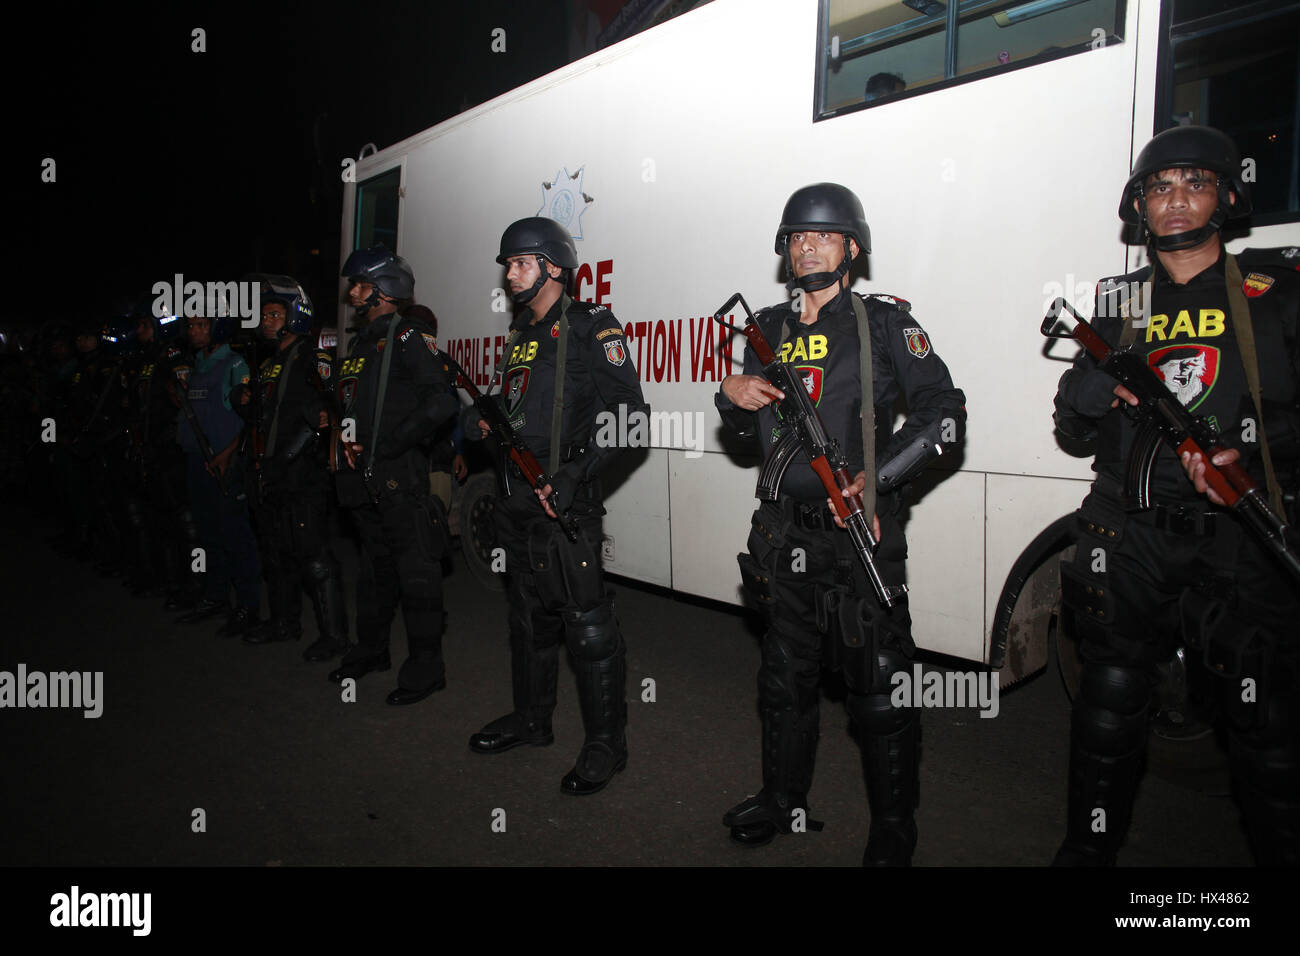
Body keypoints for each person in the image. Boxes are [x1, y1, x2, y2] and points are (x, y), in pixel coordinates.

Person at [1051, 125, 1299, 866]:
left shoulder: (1274, 290)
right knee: (1110, 707)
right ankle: (1088, 851)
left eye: (1194, 182)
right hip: (1132, 537)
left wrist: (1251, 455)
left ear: (1227, 195)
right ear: (1140, 207)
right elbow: (1070, 425)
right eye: (1160, 187)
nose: (1176, 199)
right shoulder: (1119, 299)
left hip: (1240, 539)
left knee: (1266, 725)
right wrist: (1097, 384)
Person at [715, 183, 966, 864]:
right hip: (784, 535)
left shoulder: (883, 324)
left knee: (880, 690)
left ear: (852, 248)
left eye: (823, 236)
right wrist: (732, 397)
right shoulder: (768, 328)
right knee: (783, 680)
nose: (808, 248)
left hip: (860, 538)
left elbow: (944, 414)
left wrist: (877, 484)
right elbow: (751, 438)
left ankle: (893, 827)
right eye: (797, 237)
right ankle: (781, 799)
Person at [464, 216, 648, 796]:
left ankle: (606, 746)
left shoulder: (592, 325)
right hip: (516, 500)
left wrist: (575, 476)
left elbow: (631, 418)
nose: (510, 274)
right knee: (527, 622)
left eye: (519, 262)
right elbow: (522, 411)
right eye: (508, 264)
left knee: (588, 630)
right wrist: (485, 420)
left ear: (552, 266)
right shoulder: (522, 333)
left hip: (565, 504)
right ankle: (532, 719)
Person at [329, 246, 457, 705]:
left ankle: (427, 670)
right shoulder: (361, 345)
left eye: (361, 284)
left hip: (399, 477)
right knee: (374, 572)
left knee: (417, 576)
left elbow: (441, 402)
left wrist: (389, 445)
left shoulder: (408, 336)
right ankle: (371, 650)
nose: (353, 293)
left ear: (384, 289)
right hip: (362, 481)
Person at [236, 277, 349, 662]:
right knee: (275, 554)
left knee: (313, 556)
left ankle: (335, 636)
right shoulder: (267, 364)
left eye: (274, 314)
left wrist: (324, 413)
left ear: (294, 316)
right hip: (268, 473)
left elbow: (332, 401)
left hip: (303, 474)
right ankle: (283, 621)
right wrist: (242, 399)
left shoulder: (311, 357)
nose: (266, 321)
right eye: (264, 314)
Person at [174, 297, 262, 638]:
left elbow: (247, 419)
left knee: (235, 534)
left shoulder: (234, 364)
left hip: (225, 463)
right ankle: (215, 595)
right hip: (198, 462)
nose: (194, 331)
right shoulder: (197, 364)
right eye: (192, 325)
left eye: (202, 324)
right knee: (207, 533)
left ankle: (248, 604)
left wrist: (226, 455)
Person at [403, 303, 467, 511]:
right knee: (432, 522)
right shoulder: (440, 361)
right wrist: (457, 451)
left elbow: (452, 410)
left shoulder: (394, 359)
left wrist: (457, 451)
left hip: (422, 457)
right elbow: (453, 409)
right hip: (424, 458)